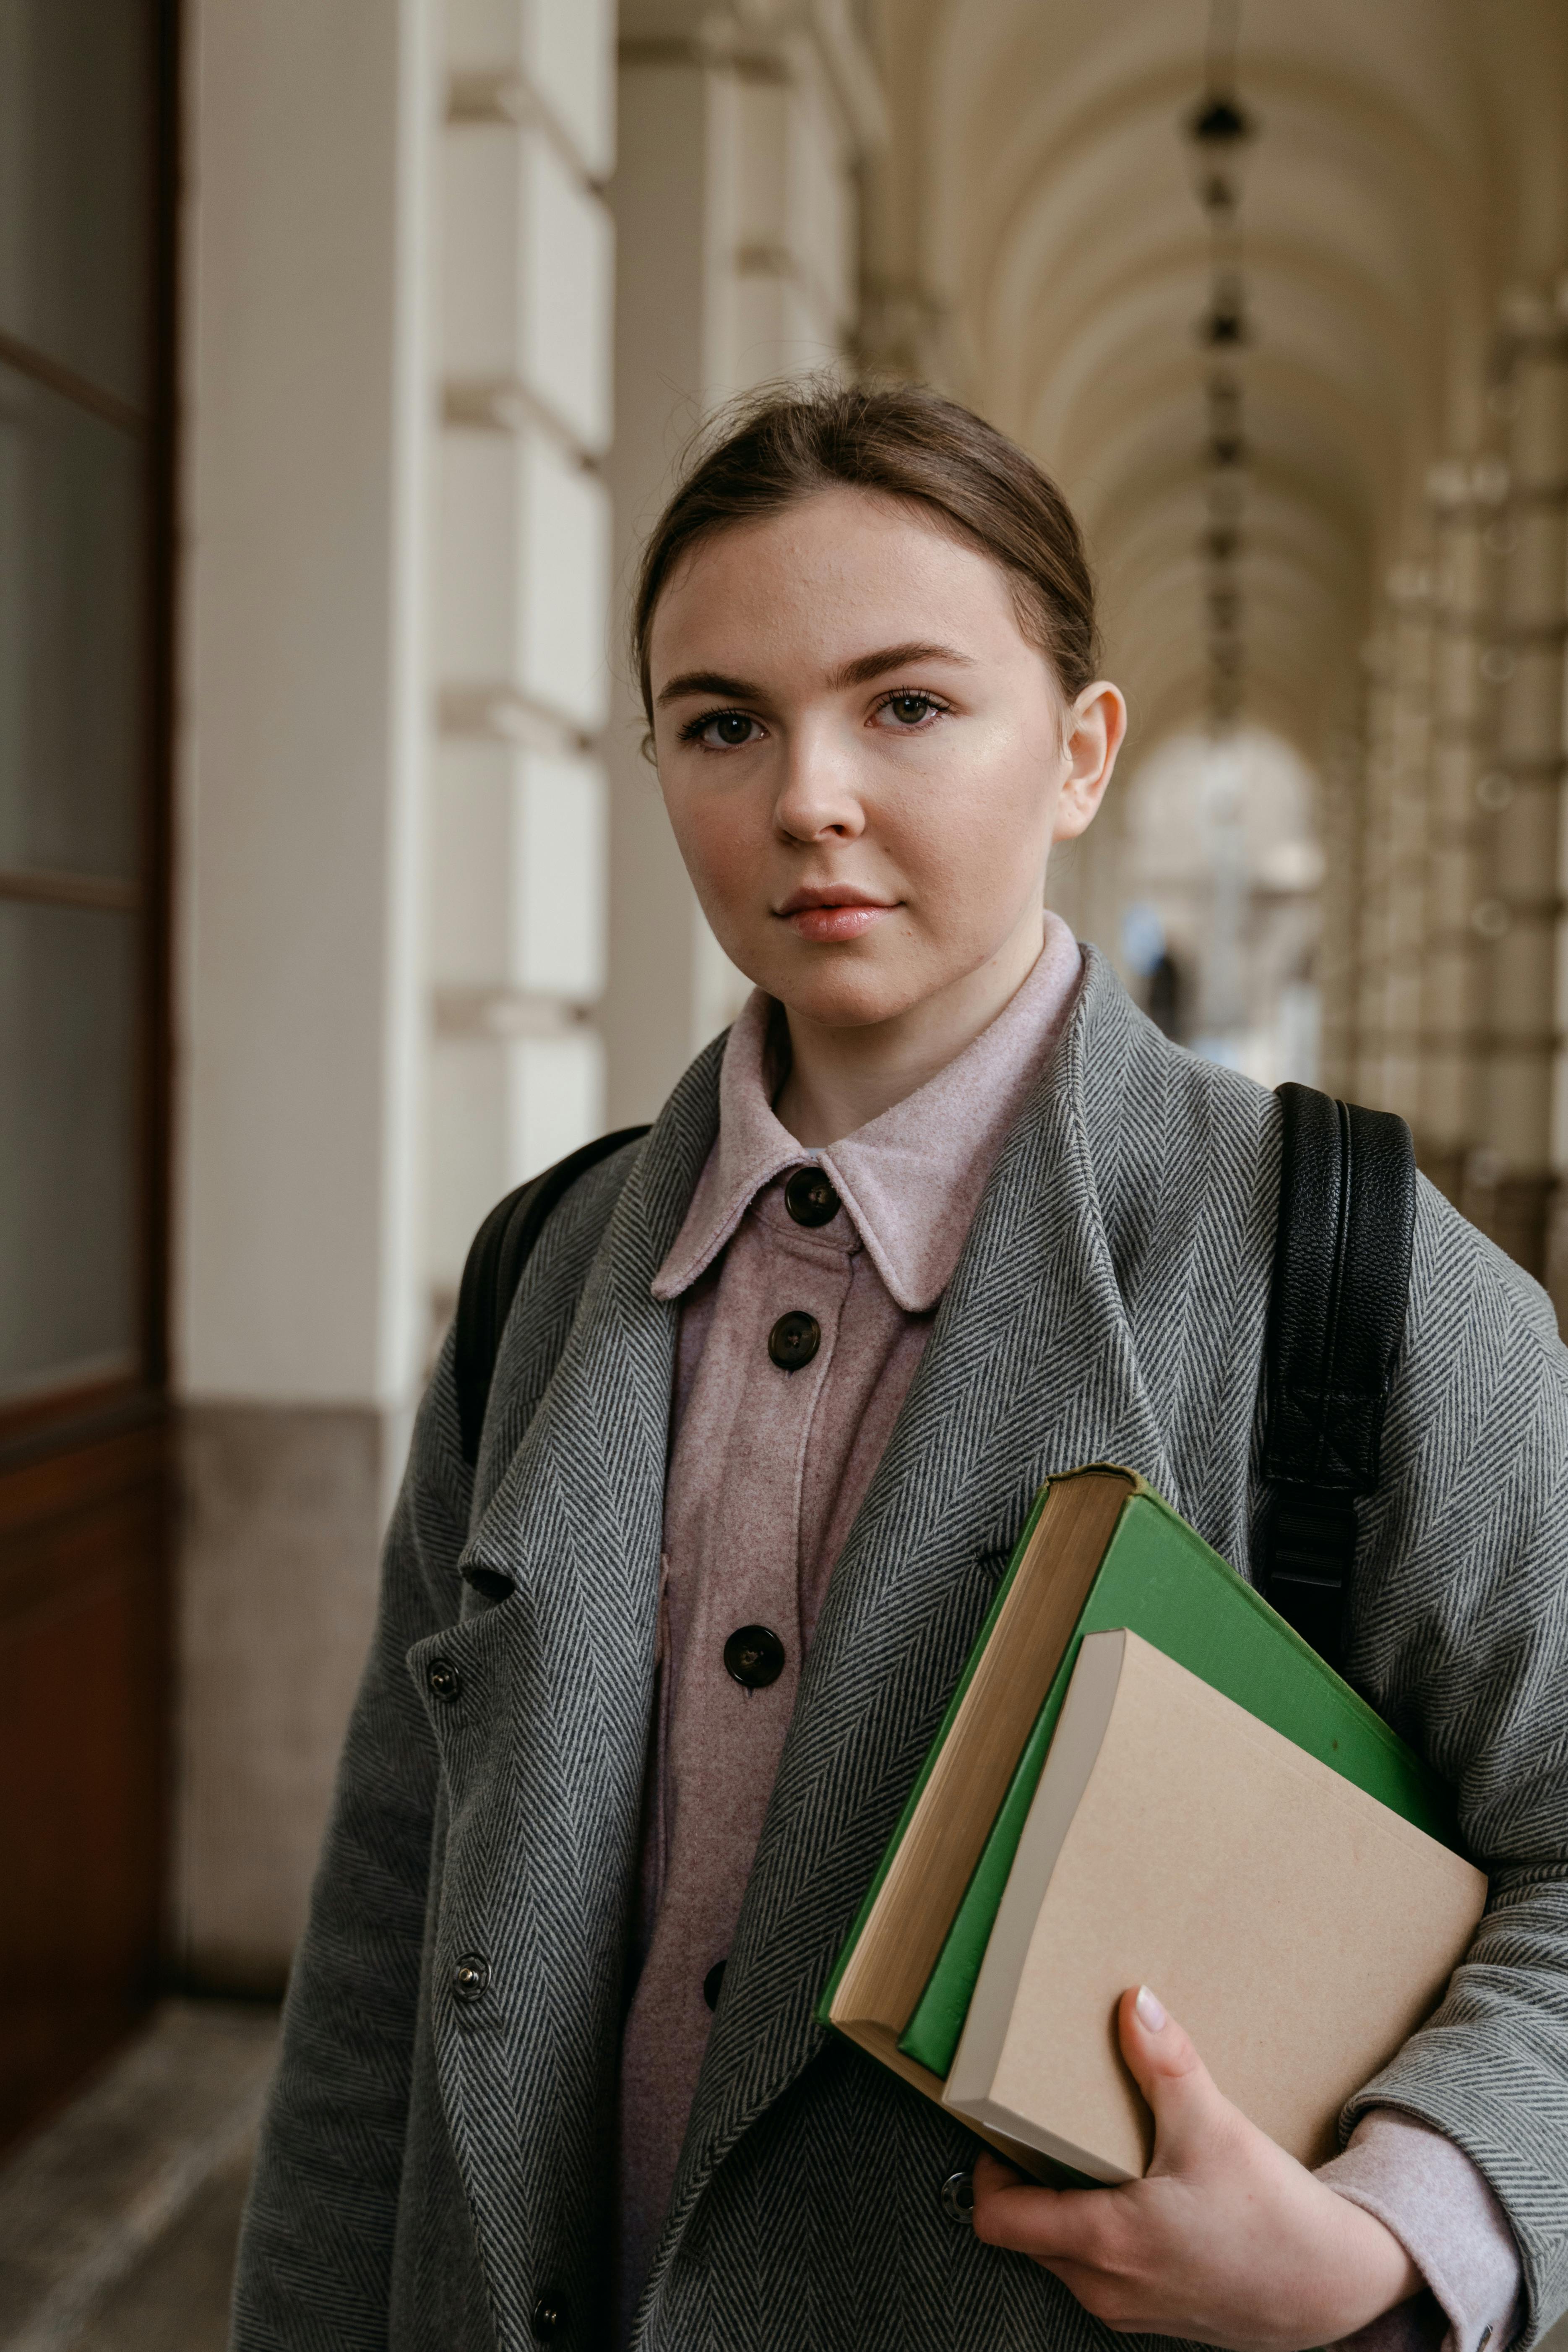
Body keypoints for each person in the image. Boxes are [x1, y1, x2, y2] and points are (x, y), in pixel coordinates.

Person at [232, 384, 1568, 2352]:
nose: (807, 799)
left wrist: (1389, 2236)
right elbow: (380, 1945)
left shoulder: (1352, 1273)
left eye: (908, 705)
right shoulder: (540, 1274)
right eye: (721, 721)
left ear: (1080, 752)